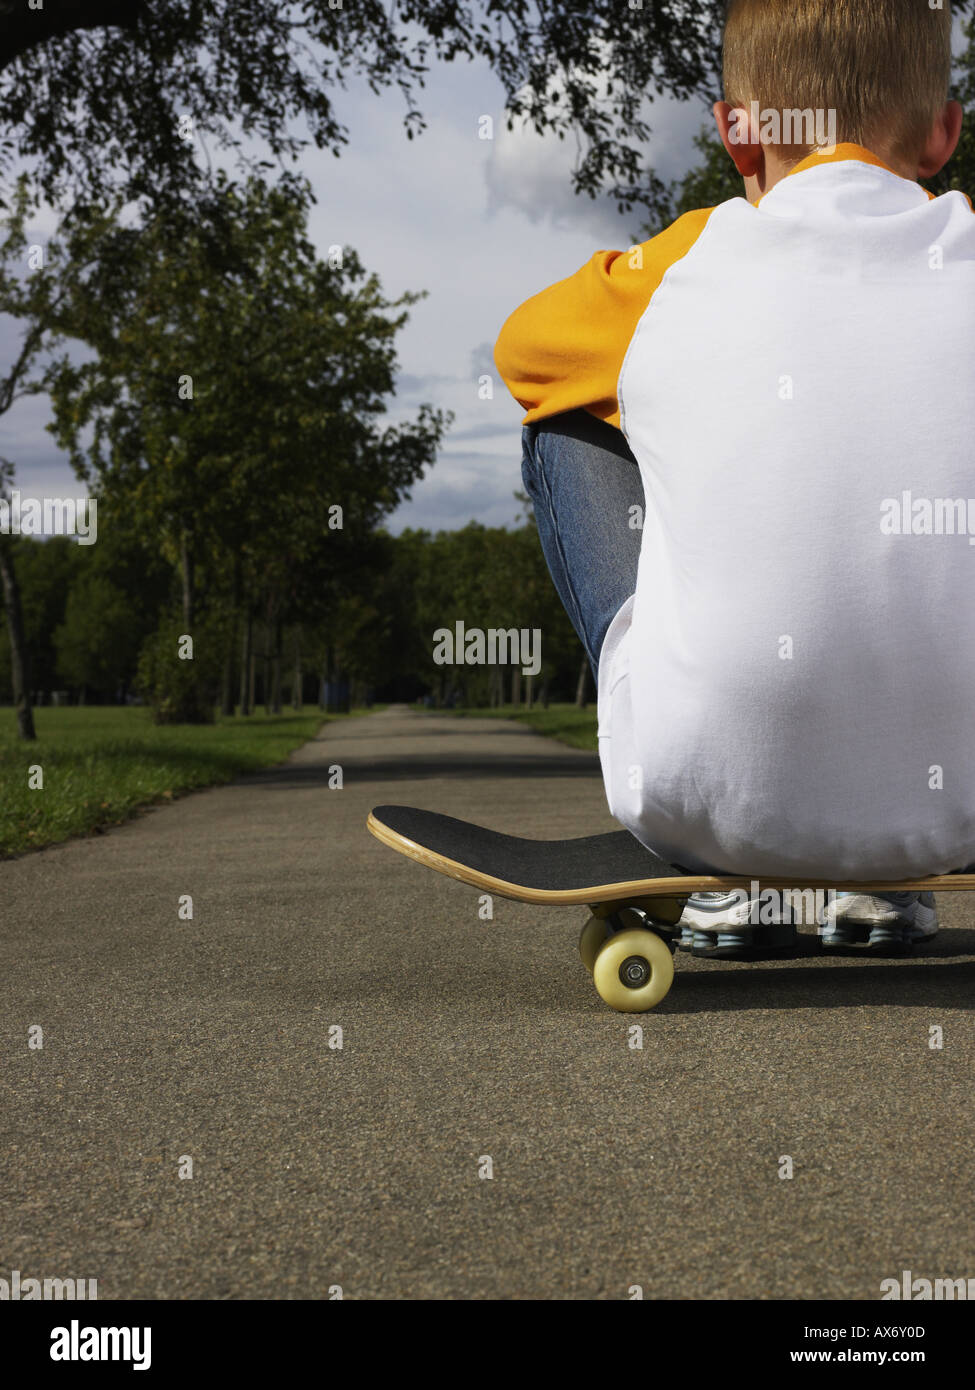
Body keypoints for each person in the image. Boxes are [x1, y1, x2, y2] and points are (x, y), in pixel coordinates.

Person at [494, 0, 972, 957]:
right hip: (956, 803)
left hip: (704, 806)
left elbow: (522, 355)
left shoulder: (680, 264)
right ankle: (882, 877)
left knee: (567, 422)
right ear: (943, 132)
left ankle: (742, 872)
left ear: (736, 132)